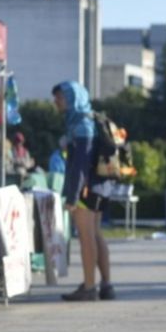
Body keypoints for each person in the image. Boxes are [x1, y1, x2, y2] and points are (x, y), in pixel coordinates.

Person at [53, 81, 114, 302]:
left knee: (86, 237)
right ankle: (106, 284)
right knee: (96, 234)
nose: (56, 102)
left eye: (60, 97)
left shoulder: (81, 126)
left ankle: (89, 288)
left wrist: (72, 197)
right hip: (100, 187)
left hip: (86, 191)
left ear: (72, 98)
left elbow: (79, 165)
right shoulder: (90, 120)